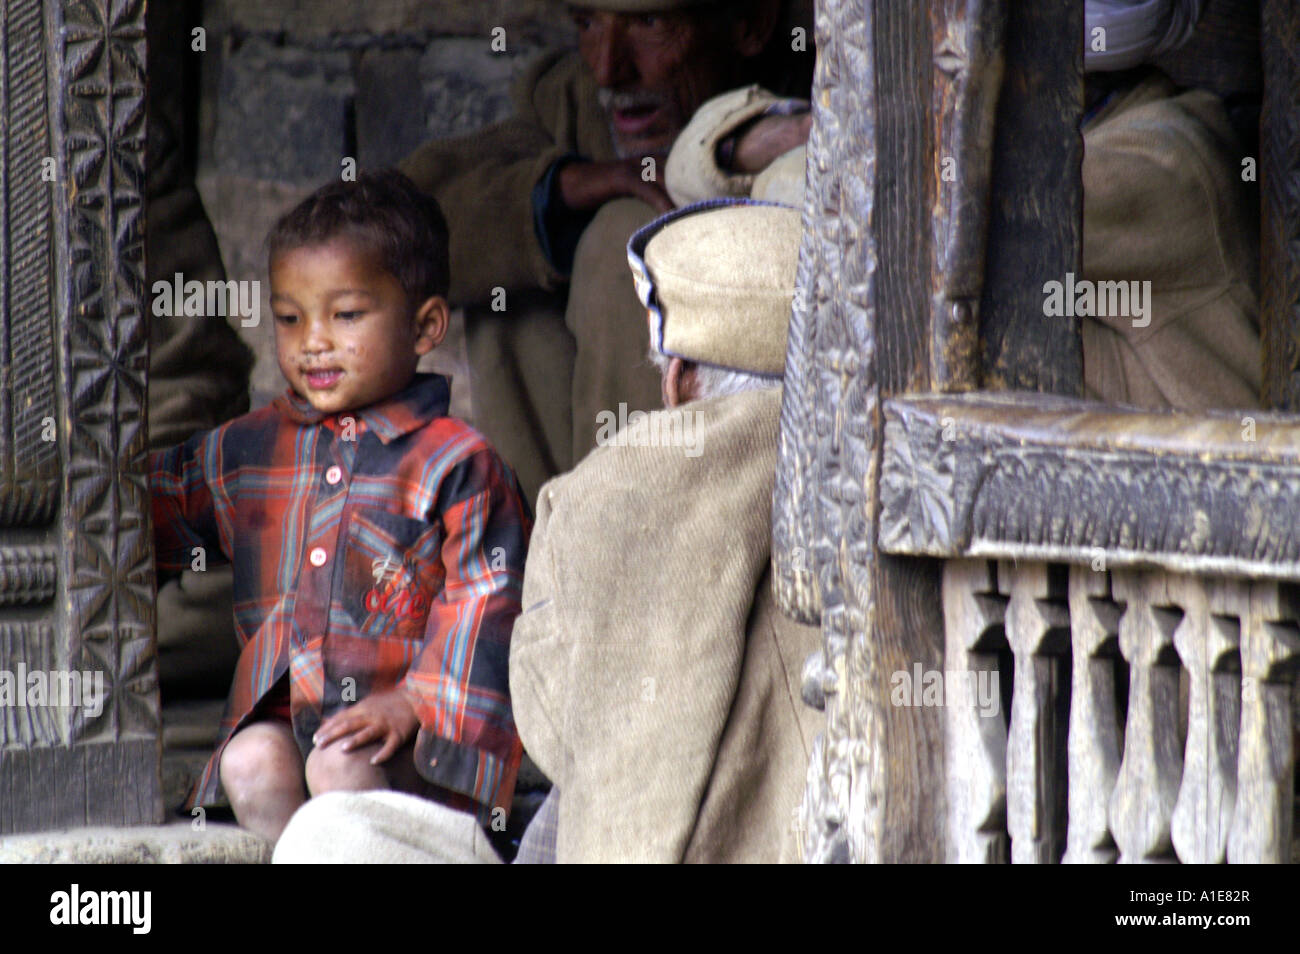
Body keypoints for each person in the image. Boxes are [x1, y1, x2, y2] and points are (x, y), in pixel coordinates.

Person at [269, 198, 822, 864]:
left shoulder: (604, 493)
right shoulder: (890, 480)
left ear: (681, 380)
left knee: (331, 836)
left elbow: (553, 732)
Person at [150, 171, 532, 851]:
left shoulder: (457, 465)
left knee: (340, 763)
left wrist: (412, 702)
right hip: (297, 723)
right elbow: (151, 511)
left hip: (417, 745)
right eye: (290, 318)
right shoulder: (251, 448)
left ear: (425, 326)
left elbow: (487, 605)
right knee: (250, 763)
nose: (312, 342)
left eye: (346, 315)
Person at [663, 0, 1260, 412]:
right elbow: (687, 170)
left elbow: (867, 213)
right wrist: (799, 136)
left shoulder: (1166, 162)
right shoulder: (986, 144)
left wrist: (819, 139)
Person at [400, 0, 808, 503]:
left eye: (650, 24)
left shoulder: (815, 92)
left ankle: (620, 542)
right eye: (587, 23)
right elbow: (404, 221)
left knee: (626, 237)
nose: (608, 66)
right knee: (506, 271)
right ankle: (541, 557)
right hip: (562, 491)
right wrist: (575, 184)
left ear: (750, 23)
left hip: (732, 491)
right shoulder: (572, 100)